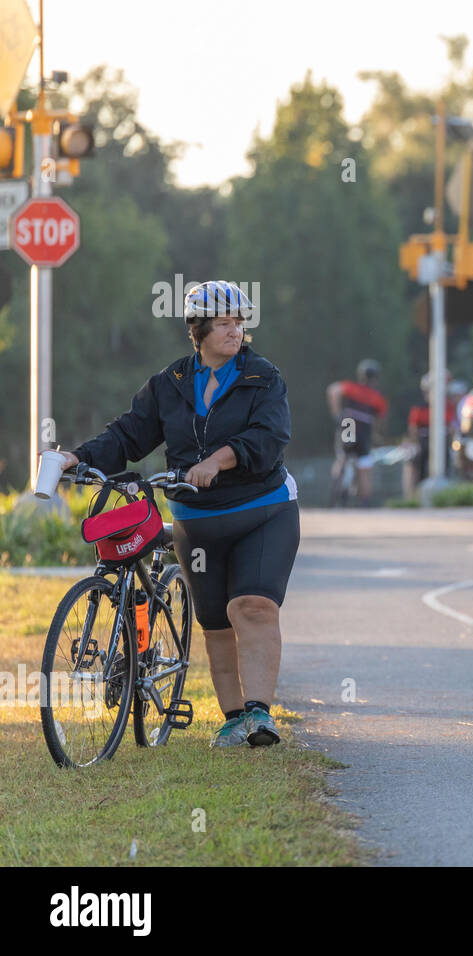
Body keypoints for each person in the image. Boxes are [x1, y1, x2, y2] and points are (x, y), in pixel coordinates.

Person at [55, 280, 299, 749]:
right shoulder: (171, 384)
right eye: (225, 323)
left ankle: (261, 715)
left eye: (239, 323)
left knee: (252, 606)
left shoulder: (263, 377)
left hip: (262, 510)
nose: (236, 332)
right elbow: (128, 435)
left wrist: (218, 460)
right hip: (197, 518)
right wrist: (77, 458)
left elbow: (269, 437)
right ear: (199, 329)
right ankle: (232, 719)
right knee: (214, 620)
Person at [327, 359, 388, 506]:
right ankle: (364, 502)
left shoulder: (352, 388)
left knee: (342, 458)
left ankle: (335, 493)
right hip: (365, 428)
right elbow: (381, 418)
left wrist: (336, 413)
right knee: (364, 466)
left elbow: (333, 390)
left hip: (349, 424)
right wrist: (377, 434)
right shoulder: (377, 397)